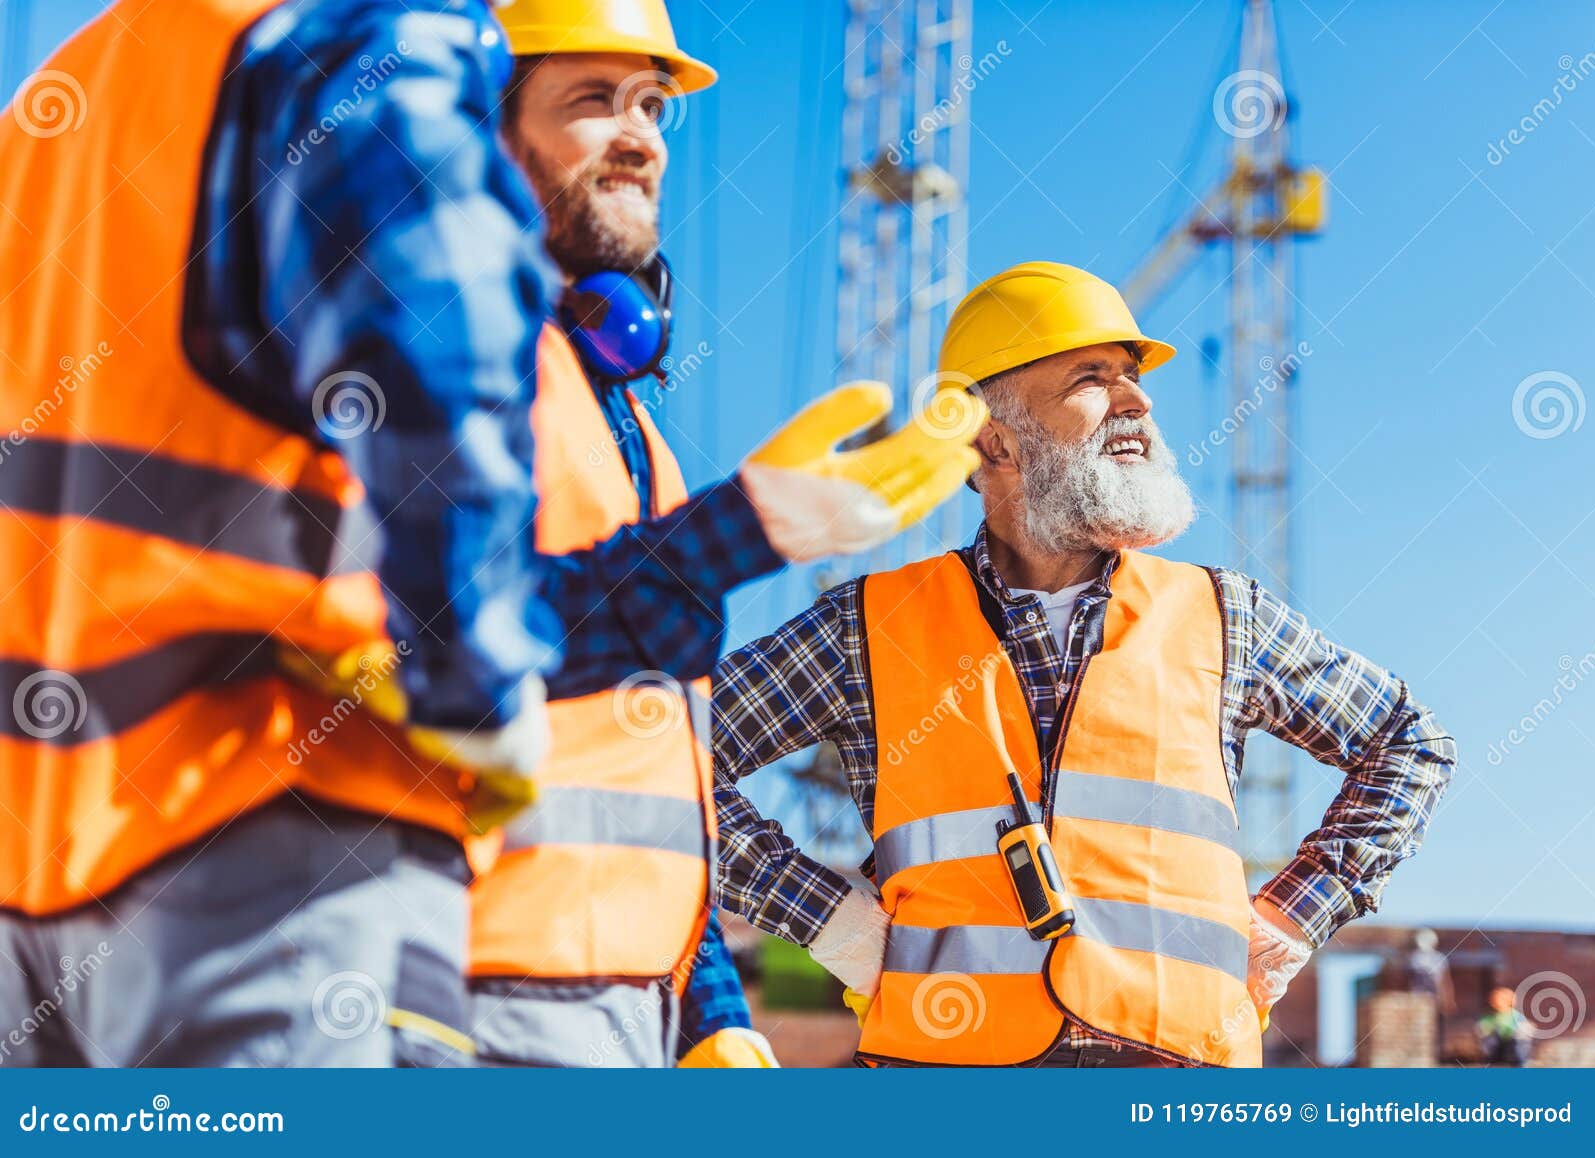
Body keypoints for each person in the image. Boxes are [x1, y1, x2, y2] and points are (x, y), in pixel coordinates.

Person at [711, 261, 1457, 1067]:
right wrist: (829, 921)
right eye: (1091, 378)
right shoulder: (869, 627)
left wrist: (1294, 916)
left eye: (1133, 376)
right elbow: (660, 757)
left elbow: (1409, 744)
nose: (1136, 401)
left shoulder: (1223, 614)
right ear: (993, 439)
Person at [0, 0, 563, 1066]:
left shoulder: (55, 104)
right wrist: (476, 676)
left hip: (36, 859)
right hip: (275, 820)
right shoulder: (357, 33)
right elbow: (434, 327)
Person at [450, 0, 987, 1069]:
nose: (643, 138)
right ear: (482, 132)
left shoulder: (627, 428)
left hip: (624, 1005)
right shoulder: (434, 365)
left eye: (653, 106)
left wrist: (710, 1010)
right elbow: (435, 645)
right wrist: (737, 534)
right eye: (593, 99)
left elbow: (650, 764)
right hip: (465, 988)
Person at [1477, 987, 1533, 1066]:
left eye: (1500, 1000)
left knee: (1519, 1046)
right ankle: (1492, 1060)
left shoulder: (1515, 1015)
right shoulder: (1490, 1016)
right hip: (1498, 1041)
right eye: (1493, 1000)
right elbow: (1483, 1025)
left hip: (1513, 1041)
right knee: (1490, 1042)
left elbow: (1524, 1027)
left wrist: (1521, 1030)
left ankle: (1518, 1062)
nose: (1494, 1003)